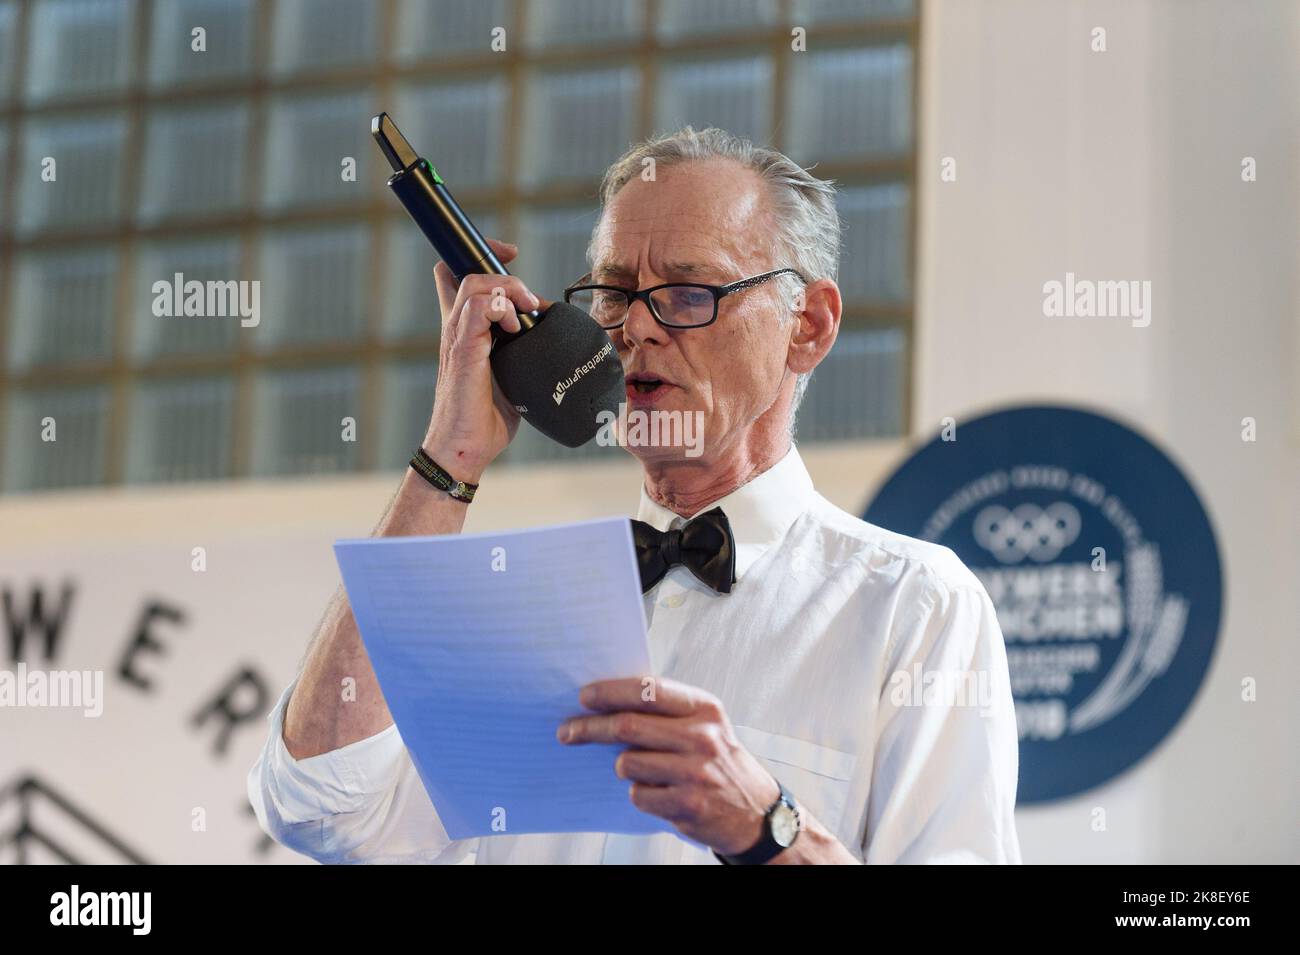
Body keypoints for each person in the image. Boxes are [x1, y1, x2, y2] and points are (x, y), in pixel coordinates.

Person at [247, 127, 1022, 864]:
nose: (638, 328)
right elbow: (318, 803)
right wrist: (451, 454)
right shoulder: (511, 602)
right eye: (615, 294)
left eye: (688, 291)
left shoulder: (915, 607)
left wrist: (767, 827)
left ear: (809, 325)